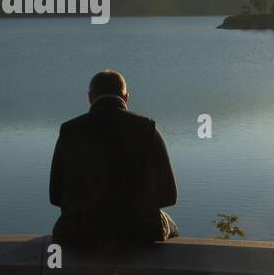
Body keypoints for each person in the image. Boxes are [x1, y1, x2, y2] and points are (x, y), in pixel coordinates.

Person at [48, 69, 180, 247]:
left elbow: (55, 196)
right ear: (126, 98)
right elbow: (169, 196)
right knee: (171, 226)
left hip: (79, 231)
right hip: (139, 230)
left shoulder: (69, 131)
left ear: (90, 97)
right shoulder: (148, 130)